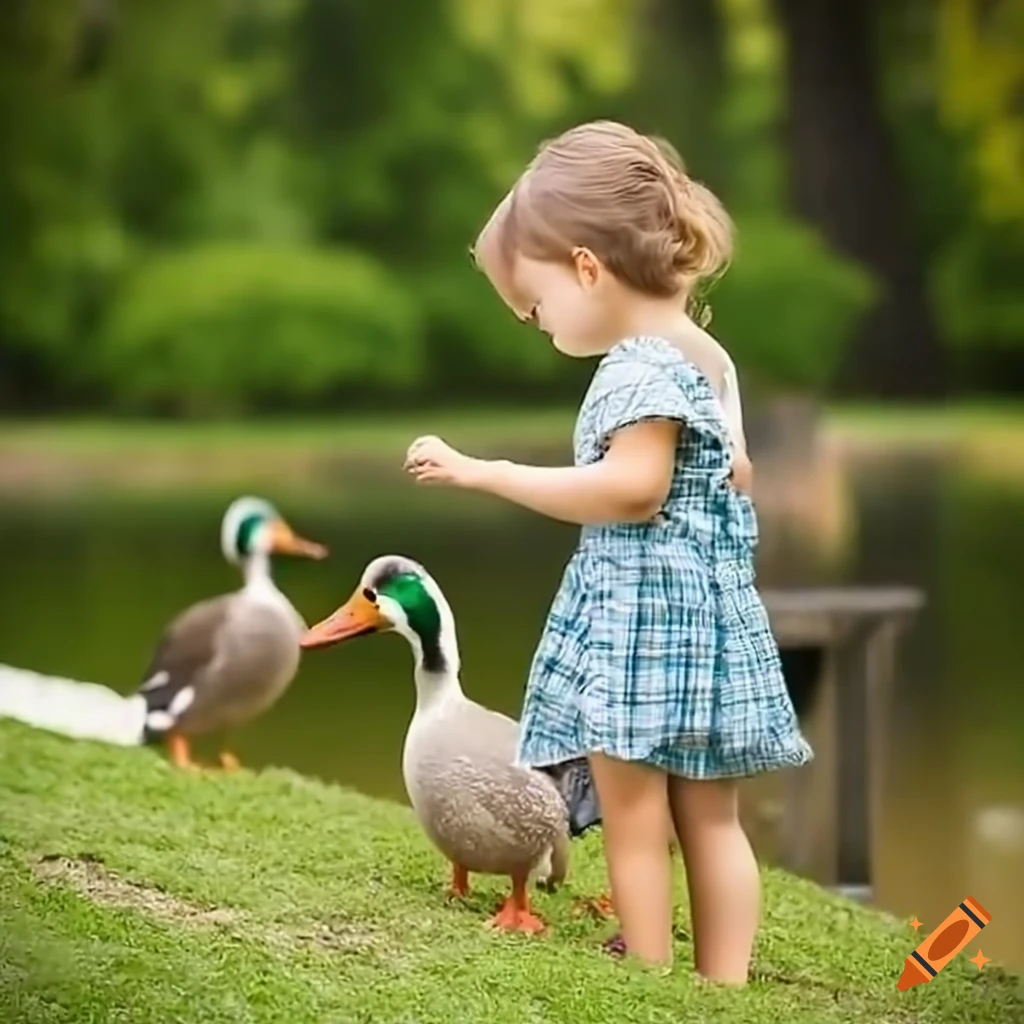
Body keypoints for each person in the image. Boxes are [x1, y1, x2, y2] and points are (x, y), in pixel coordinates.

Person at [403, 120, 812, 983]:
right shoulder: (709, 355)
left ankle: (652, 975)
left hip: (643, 631)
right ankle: (724, 983)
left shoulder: (634, 366)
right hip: (716, 624)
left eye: (538, 306)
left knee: (636, 820)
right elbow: (734, 469)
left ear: (587, 267)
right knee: (713, 820)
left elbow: (634, 489)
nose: (541, 326)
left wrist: (491, 473)